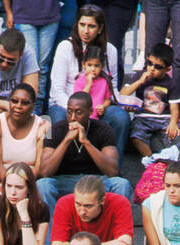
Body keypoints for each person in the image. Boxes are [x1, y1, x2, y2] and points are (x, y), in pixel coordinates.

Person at [48, 6, 130, 159]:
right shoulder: (65, 47)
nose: (86, 31)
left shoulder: (110, 50)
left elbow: (112, 89)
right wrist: (77, 112)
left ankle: (113, 171)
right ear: (76, 25)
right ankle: (60, 171)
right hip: (64, 105)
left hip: (97, 107)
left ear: (100, 29)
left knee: (121, 117)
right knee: (59, 119)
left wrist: (113, 104)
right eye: (82, 25)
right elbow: (56, 92)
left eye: (91, 26)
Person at [37, 91, 132, 218]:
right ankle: (52, 237)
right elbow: (45, 172)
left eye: (79, 112)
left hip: (95, 181)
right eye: (69, 111)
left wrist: (86, 142)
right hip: (64, 181)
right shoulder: (55, 129)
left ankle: (116, 235)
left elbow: (113, 170)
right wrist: (66, 140)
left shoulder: (104, 129)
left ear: (90, 112)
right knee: (43, 185)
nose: (73, 117)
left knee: (121, 184)